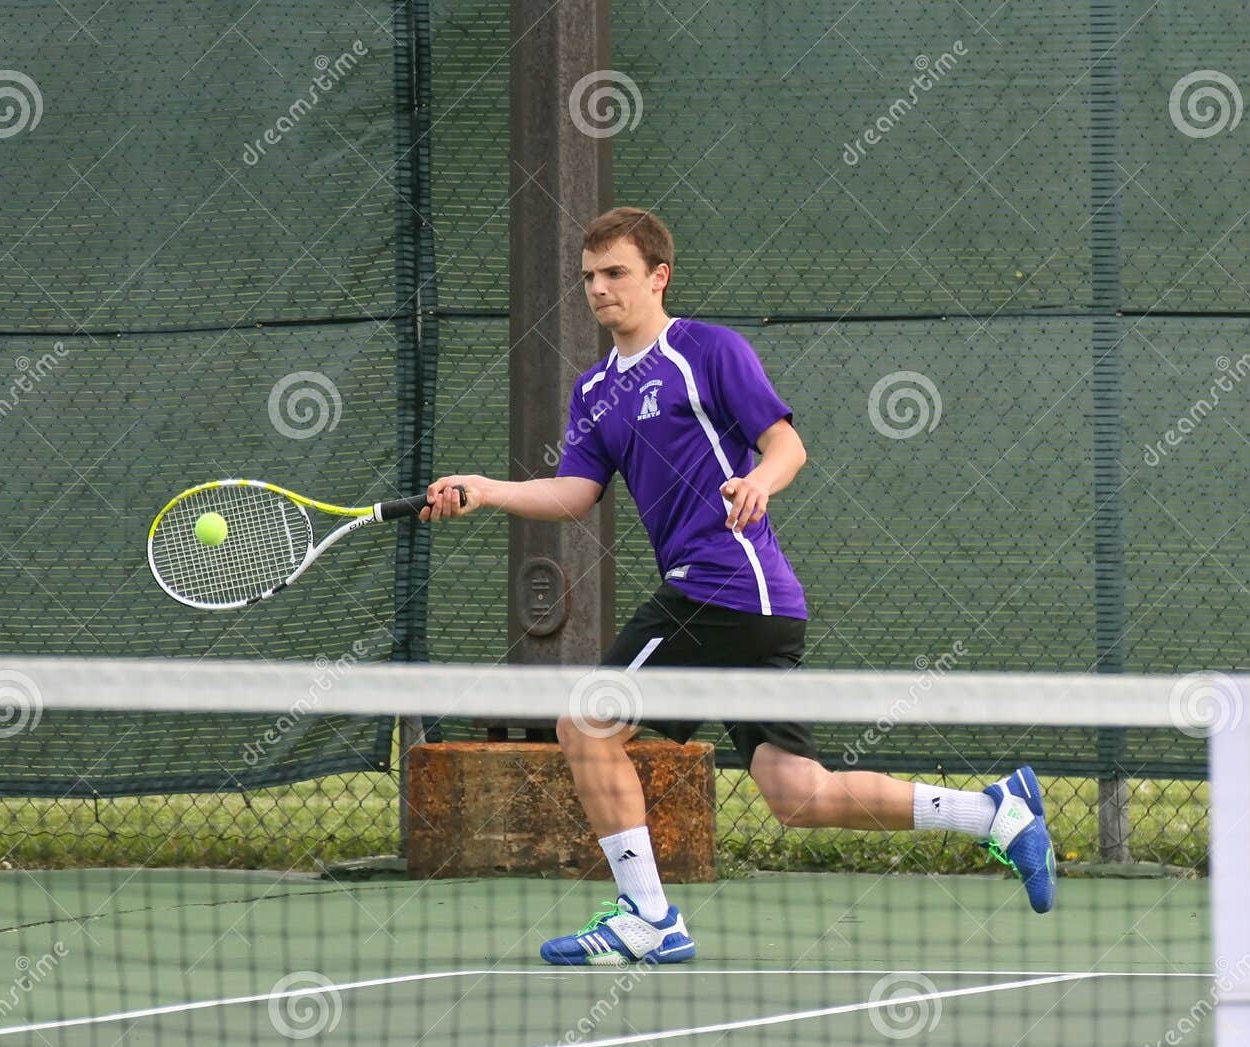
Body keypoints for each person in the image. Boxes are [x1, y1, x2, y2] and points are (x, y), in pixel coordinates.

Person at [422, 206, 1054, 965]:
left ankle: (647, 917)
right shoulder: (595, 392)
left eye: (615, 273)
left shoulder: (707, 351)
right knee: (798, 794)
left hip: (725, 584)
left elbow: (786, 444)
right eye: (588, 276)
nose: (598, 289)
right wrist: (488, 489)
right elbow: (575, 494)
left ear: (658, 276)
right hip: (744, 607)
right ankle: (994, 814)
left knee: (585, 724)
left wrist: (758, 482)